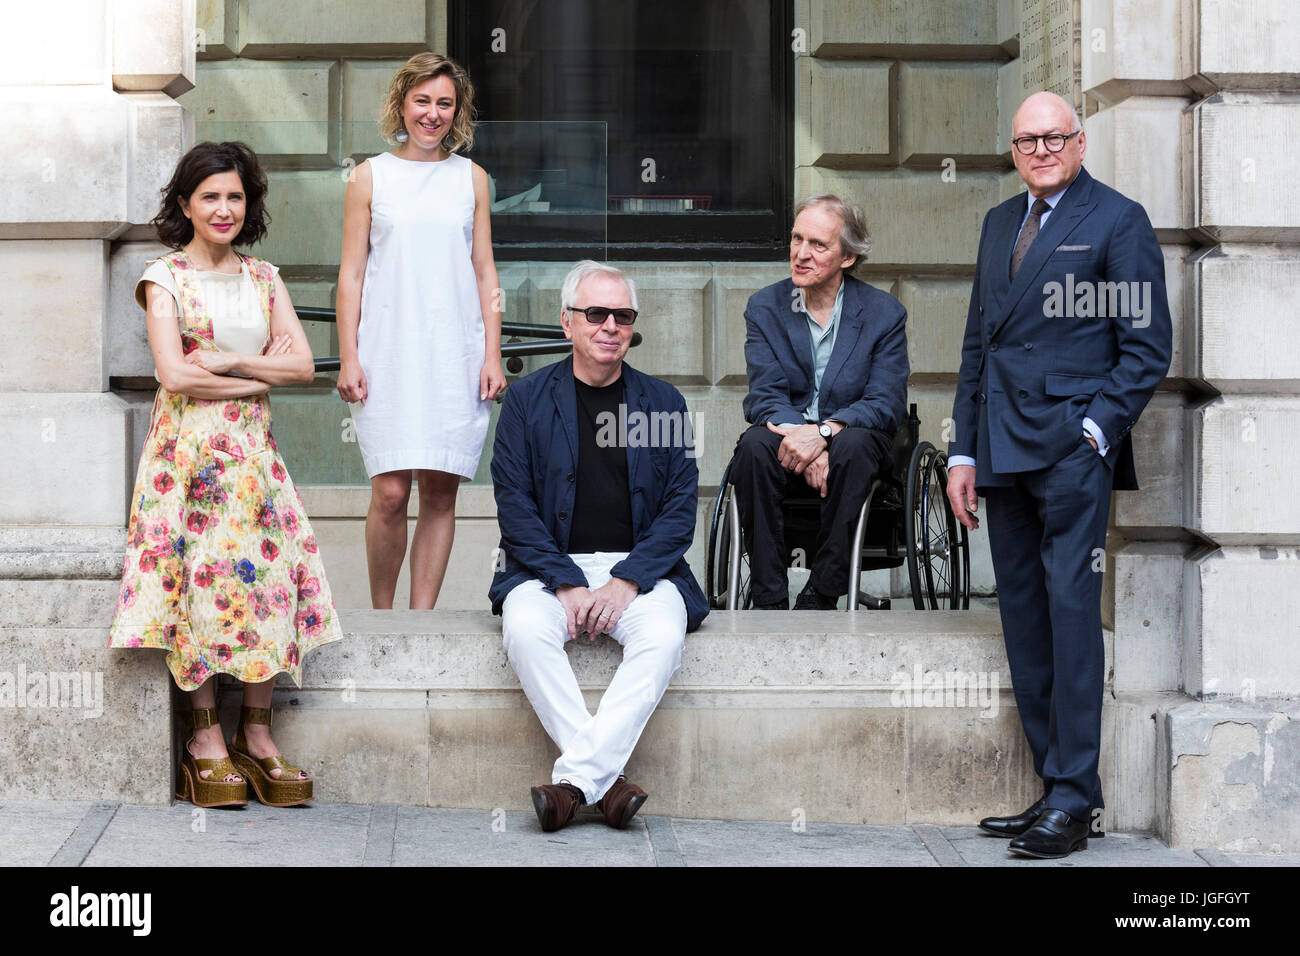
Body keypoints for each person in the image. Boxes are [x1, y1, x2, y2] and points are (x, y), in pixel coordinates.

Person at [945, 91, 1172, 858]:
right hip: (1002, 450)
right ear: (1013, 151)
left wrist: (1094, 432)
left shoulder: (1117, 220)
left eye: (1053, 137)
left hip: (1070, 452)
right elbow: (980, 344)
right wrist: (963, 452)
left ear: (1079, 142)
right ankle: (1055, 787)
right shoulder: (997, 223)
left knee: (1071, 618)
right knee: (1025, 621)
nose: (1039, 150)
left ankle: (1076, 801)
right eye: (1025, 141)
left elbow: (1145, 347)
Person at [109, 141, 345, 808]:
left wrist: (220, 363)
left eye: (234, 197)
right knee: (202, 588)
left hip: (254, 458)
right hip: (187, 459)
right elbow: (174, 374)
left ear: (250, 205)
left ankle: (258, 736)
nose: (223, 208)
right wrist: (249, 371)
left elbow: (303, 368)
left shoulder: (264, 278)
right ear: (185, 204)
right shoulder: (164, 278)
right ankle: (205, 738)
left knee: (268, 583)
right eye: (209, 196)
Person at [489, 260, 708, 833]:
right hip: (547, 570)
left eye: (623, 316)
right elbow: (514, 505)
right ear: (567, 322)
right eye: (596, 313)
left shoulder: (664, 404)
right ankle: (607, 788)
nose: (610, 325)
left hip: (640, 573)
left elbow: (680, 509)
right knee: (525, 629)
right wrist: (564, 579)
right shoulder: (526, 402)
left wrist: (627, 579)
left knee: (663, 635)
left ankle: (572, 787)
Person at [336, 52, 507, 609]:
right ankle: (383, 618)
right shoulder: (369, 177)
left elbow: (485, 270)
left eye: (444, 104)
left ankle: (420, 622)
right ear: (401, 104)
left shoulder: (472, 179)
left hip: (453, 354)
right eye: (422, 101)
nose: (432, 114)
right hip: (385, 353)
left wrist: (492, 354)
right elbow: (351, 273)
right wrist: (348, 357)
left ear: (457, 112)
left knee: (440, 492)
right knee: (388, 491)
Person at [733, 195, 909, 610]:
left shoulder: (884, 313)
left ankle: (823, 589)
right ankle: (769, 597)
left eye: (818, 244)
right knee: (753, 448)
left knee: (853, 445)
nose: (801, 253)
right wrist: (808, 444)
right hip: (788, 438)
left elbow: (885, 401)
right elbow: (765, 394)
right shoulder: (766, 307)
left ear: (847, 257)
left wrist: (826, 432)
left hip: (853, 441)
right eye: (797, 239)